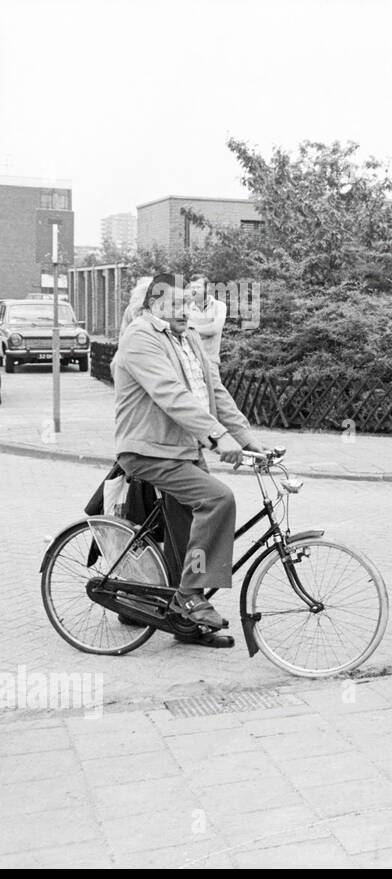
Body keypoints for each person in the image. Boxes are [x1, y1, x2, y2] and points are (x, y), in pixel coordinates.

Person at [113, 273, 266, 640]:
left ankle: (183, 620)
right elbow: (171, 394)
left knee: (187, 531)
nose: (185, 311)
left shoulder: (190, 338)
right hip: (148, 450)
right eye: (175, 305)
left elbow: (216, 392)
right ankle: (191, 596)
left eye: (188, 303)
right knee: (217, 499)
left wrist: (246, 438)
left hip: (182, 450)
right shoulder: (140, 338)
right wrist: (218, 438)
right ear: (153, 305)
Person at [185, 275, 227, 367]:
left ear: (207, 288)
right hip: (191, 362)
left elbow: (214, 329)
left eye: (198, 287)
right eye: (193, 287)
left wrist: (191, 326)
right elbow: (185, 333)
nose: (195, 290)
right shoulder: (187, 308)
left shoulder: (220, 306)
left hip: (211, 361)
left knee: (215, 382)